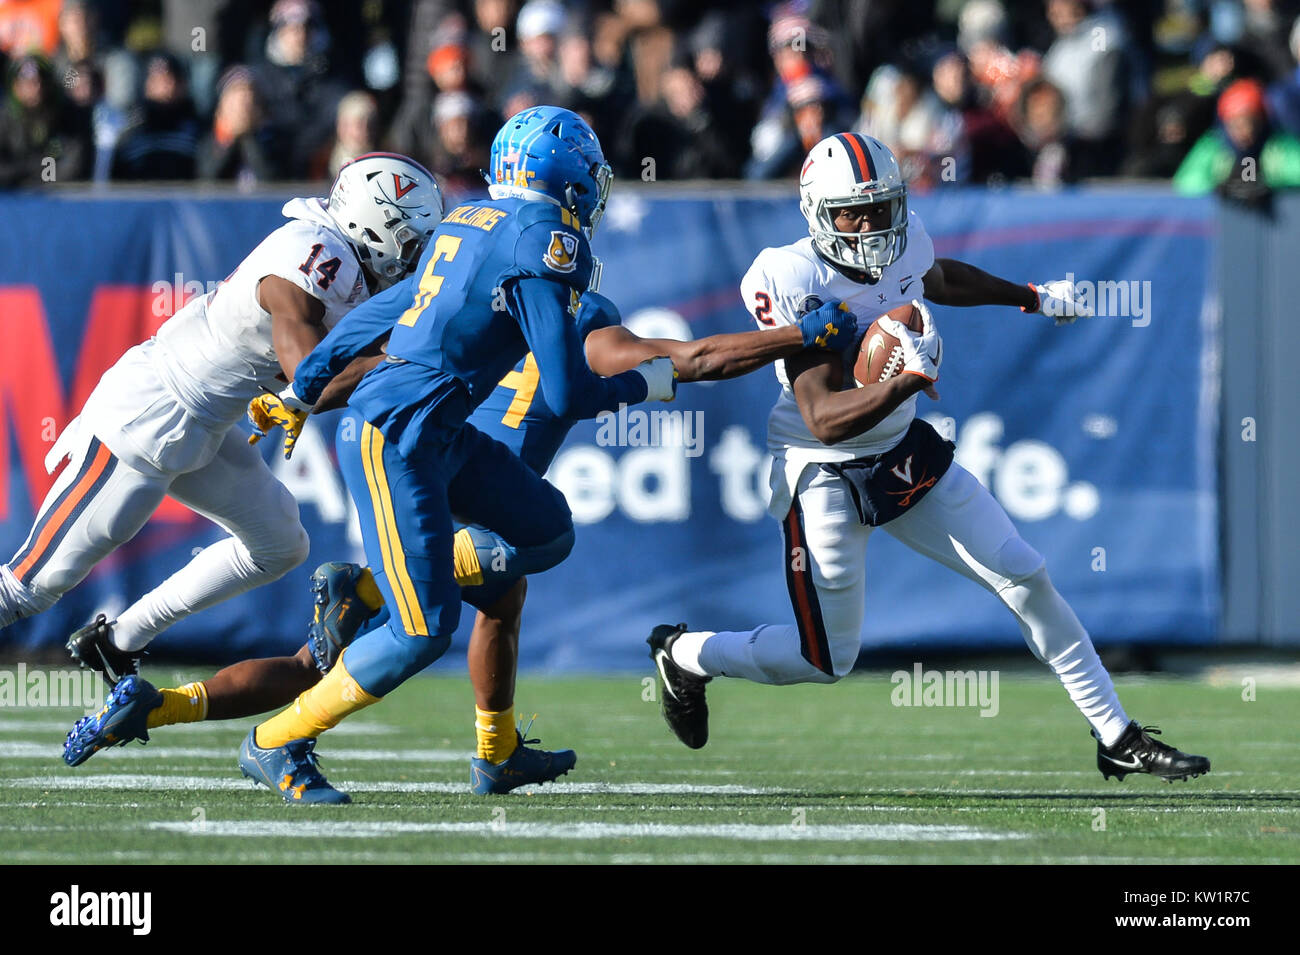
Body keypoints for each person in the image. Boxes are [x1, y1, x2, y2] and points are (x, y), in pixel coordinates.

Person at [62, 288, 858, 792]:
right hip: (473, 499)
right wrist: (793, 339)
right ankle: (363, 608)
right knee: (510, 566)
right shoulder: (581, 319)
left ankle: (154, 707)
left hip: (435, 476)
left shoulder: (474, 308)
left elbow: (374, 360)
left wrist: (301, 400)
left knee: (399, 637)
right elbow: (686, 358)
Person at [647, 132, 1212, 785]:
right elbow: (823, 419)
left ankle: (1117, 735)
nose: (868, 227)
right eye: (851, 214)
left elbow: (937, 277)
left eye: (880, 208)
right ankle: (686, 653)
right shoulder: (789, 273)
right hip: (820, 470)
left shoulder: (905, 239)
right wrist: (909, 381)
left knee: (1024, 574)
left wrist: (1030, 296)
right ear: (817, 212)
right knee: (827, 658)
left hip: (898, 448)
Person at [229, 106, 681, 805]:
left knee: (546, 527)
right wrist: (643, 383)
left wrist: (303, 388)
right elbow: (562, 393)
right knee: (423, 631)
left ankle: (385, 605)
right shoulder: (548, 238)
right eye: (589, 177)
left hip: (441, 434)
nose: (595, 191)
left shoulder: (470, 221)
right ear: (566, 178)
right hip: (395, 437)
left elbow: (386, 313)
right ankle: (275, 739)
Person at [0, 154, 442, 684]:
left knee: (280, 543)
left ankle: (119, 641)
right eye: (412, 239)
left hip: (203, 426)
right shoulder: (315, 256)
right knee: (30, 585)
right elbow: (310, 379)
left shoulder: (345, 262)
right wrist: (408, 364)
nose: (417, 254)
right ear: (373, 224)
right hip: (145, 416)